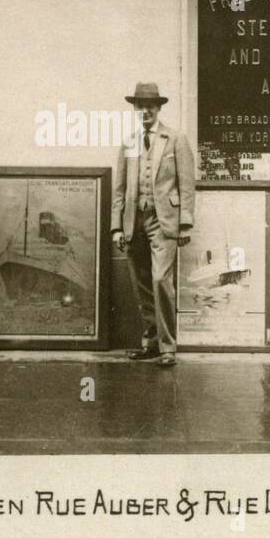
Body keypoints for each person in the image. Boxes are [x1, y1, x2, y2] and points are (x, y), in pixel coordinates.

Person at [111, 82, 195, 368]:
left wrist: (185, 224)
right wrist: (117, 227)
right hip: (134, 220)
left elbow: (186, 184)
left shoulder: (175, 139)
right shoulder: (130, 142)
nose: (145, 111)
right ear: (135, 109)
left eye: (150, 106)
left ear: (159, 108)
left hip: (164, 221)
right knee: (142, 283)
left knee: (161, 280)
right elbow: (119, 189)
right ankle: (150, 342)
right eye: (140, 106)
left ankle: (168, 346)